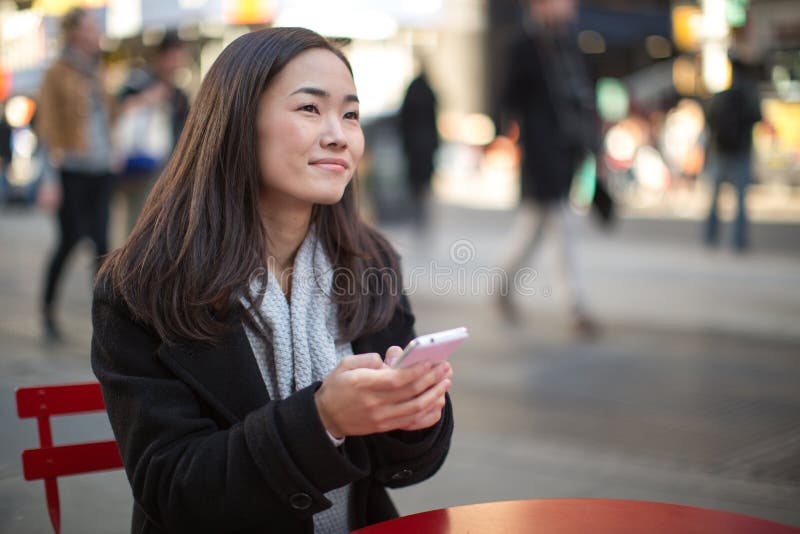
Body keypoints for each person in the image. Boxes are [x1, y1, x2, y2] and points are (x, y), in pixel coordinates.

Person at [91, 27, 454, 534]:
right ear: (238, 121)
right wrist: (322, 420)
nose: (339, 135)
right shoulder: (143, 287)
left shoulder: (369, 263)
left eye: (350, 114)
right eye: (310, 109)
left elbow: (404, 465)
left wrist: (415, 412)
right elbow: (172, 488)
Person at [494, 0, 597, 335]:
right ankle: (575, 307)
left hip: (565, 155)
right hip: (541, 158)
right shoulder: (524, 46)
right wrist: (508, 138)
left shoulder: (568, 44)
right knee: (561, 231)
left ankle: (502, 288)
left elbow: (579, 100)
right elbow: (509, 98)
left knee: (531, 230)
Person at [36, 7, 115, 341]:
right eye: (90, 27)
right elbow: (48, 125)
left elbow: (107, 119)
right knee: (69, 241)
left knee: (101, 243)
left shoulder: (98, 71)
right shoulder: (57, 72)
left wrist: (115, 149)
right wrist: (49, 179)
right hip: (70, 170)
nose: (96, 32)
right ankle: (48, 308)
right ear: (74, 34)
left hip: (102, 169)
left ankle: (107, 320)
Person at [114, 30, 190, 235]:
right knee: (138, 223)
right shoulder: (139, 81)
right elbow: (116, 111)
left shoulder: (179, 94)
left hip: (170, 169)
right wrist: (148, 99)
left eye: (180, 59)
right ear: (161, 56)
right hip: (138, 166)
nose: (176, 64)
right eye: (173, 58)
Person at [704, 56, 762, 252]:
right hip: (741, 152)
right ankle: (738, 242)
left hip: (720, 151)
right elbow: (757, 118)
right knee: (740, 201)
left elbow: (710, 120)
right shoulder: (750, 95)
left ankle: (710, 237)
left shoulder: (721, 96)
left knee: (714, 199)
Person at [399, 65, 439, 231]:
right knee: (423, 180)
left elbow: (403, 119)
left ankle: (417, 212)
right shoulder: (429, 92)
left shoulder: (413, 92)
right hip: (426, 143)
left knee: (415, 180)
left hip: (415, 144)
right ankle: (421, 212)